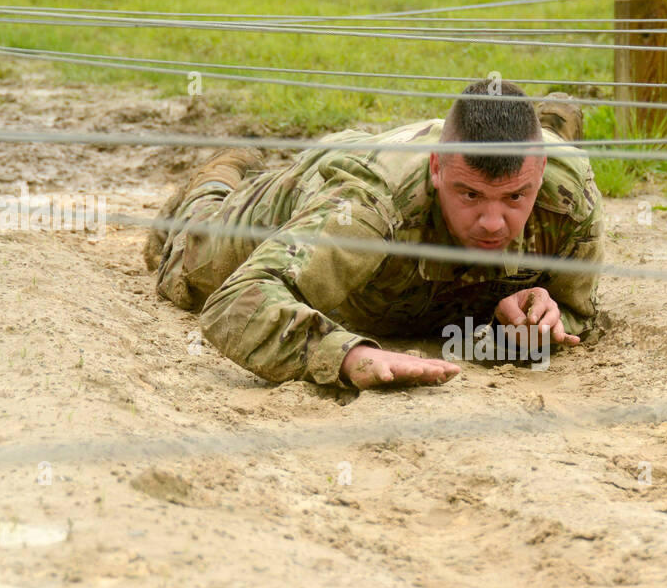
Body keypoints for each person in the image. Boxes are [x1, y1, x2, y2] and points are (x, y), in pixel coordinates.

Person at [145, 80, 601, 390]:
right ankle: (225, 170)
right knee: (184, 263)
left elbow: (578, 318)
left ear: (538, 172)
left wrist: (536, 322)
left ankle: (544, 124)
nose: (492, 223)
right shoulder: (369, 206)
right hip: (309, 191)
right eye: (470, 195)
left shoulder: (567, 188)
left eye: (515, 198)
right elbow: (236, 302)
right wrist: (344, 357)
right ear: (437, 168)